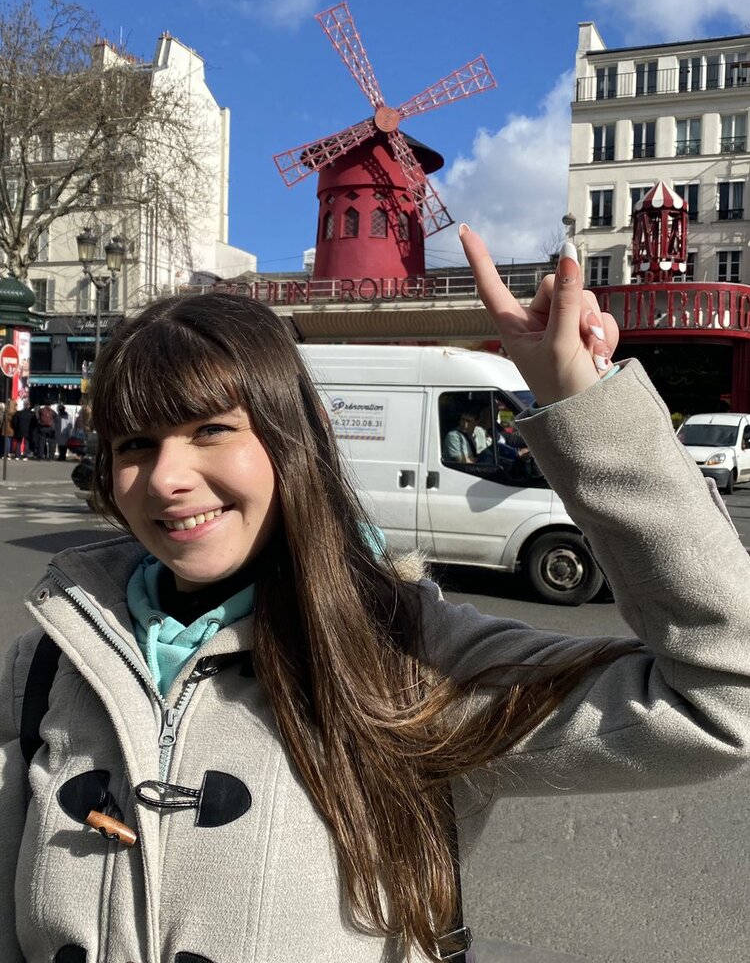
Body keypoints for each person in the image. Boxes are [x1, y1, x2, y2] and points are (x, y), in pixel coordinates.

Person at [2, 243, 750, 963]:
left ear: (295, 439)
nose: (167, 478)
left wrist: (584, 409)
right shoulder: (48, 663)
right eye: (135, 444)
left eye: (212, 430)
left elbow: (724, 697)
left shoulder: (410, 657)